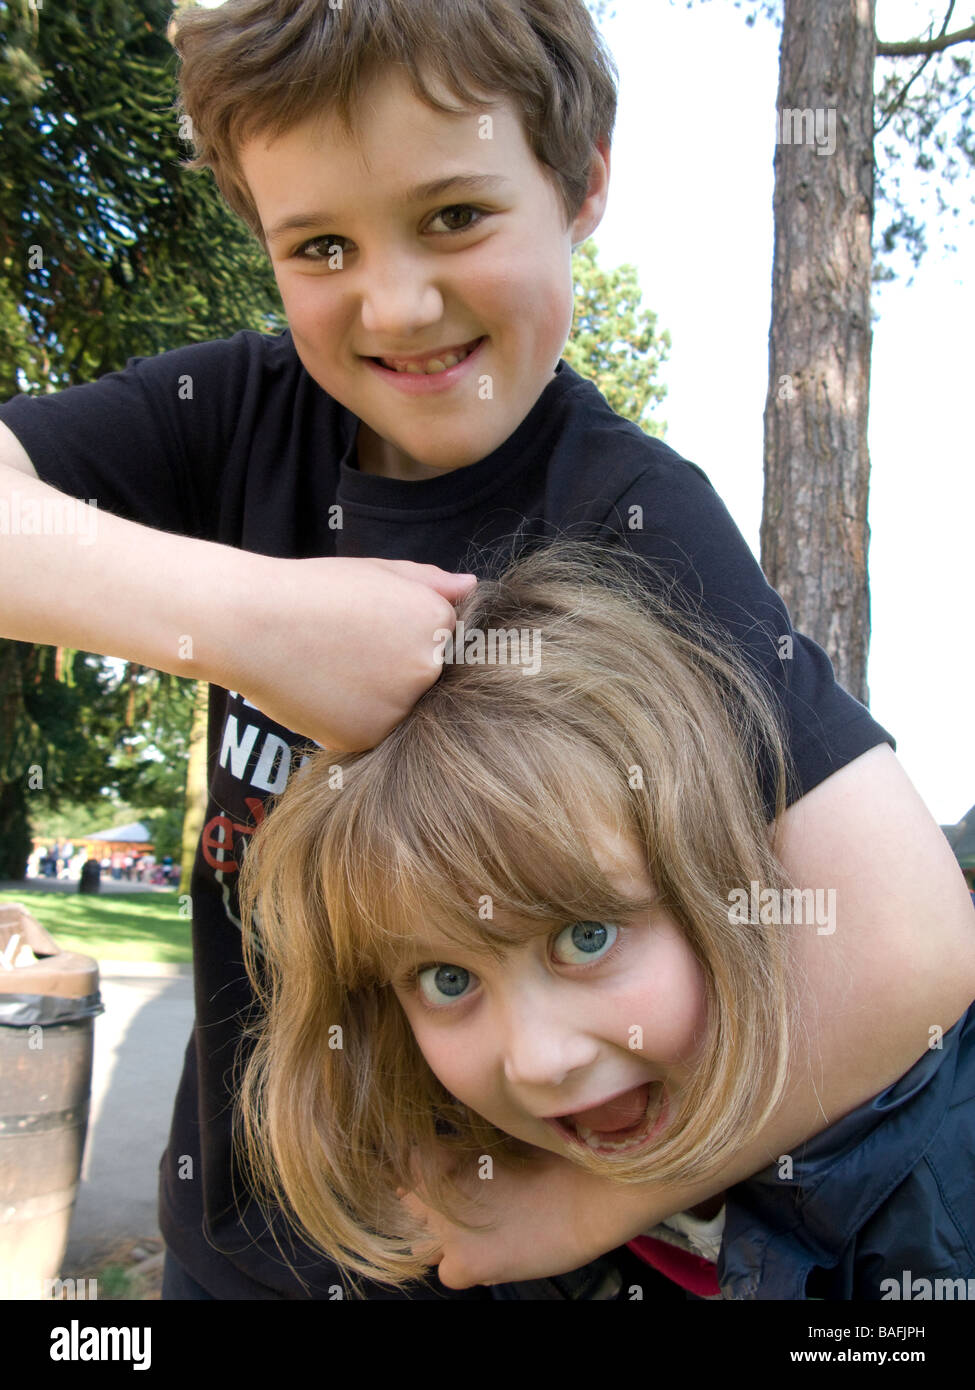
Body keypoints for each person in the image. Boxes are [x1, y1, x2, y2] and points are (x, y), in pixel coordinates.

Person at [0, 0, 972, 1301]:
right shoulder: (231, 420)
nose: (394, 303)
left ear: (580, 182)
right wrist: (247, 618)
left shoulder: (637, 516)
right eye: (322, 244)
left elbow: (908, 944)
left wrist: (589, 1198)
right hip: (230, 1258)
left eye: (453, 216)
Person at [235, 541, 975, 1300]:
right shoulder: (494, 1216)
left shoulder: (941, 1202)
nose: (537, 1060)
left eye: (584, 938)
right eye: (447, 979)